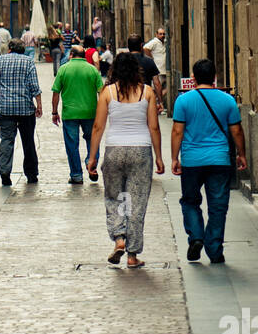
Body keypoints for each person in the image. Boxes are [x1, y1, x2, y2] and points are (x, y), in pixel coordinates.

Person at [86, 51, 165, 268]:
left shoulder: (107, 92)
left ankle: (119, 238)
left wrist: (92, 157)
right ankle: (132, 255)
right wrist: (159, 156)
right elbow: (154, 126)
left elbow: (98, 126)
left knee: (115, 197)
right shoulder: (147, 92)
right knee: (137, 202)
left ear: (114, 70)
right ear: (136, 70)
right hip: (141, 151)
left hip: (114, 150)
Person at [171, 57, 247, 264]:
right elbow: (237, 131)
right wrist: (241, 154)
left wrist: (174, 158)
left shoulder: (183, 101)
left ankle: (196, 236)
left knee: (190, 201)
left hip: (192, 160)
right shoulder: (227, 100)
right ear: (214, 77)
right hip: (219, 160)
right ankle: (214, 249)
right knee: (218, 206)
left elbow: (178, 131)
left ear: (194, 78)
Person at [52, 45, 105, 184]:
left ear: (71, 55)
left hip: (70, 114)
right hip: (90, 112)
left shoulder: (63, 69)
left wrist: (54, 112)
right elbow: (102, 92)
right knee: (92, 140)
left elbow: (56, 92)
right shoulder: (92, 70)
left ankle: (76, 175)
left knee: (72, 144)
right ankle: (90, 163)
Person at [0, 40, 42, 186]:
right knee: (28, 141)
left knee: (7, 140)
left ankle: (4, 172)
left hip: (6, 107)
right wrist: (39, 105)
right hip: (25, 108)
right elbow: (34, 85)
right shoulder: (28, 61)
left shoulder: (1, 60)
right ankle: (31, 173)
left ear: (9, 49)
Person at [127, 33, 163, 112]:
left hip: (126, 99)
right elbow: (156, 83)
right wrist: (160, 101)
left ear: (128, 46)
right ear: (141, 45)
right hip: (145, 99)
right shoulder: (149, 61)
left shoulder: (122, 61)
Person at [144, 28, 168, 93]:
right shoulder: (154, 42)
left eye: (163, 34)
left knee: (166, 89)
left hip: (164, 70)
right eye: (160, 34)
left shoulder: (165, 42)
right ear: (157, 34)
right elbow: (146, 48)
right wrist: (151, 57)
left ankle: (159, 100)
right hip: (158, 69)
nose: (162, 35)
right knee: (156, 88)